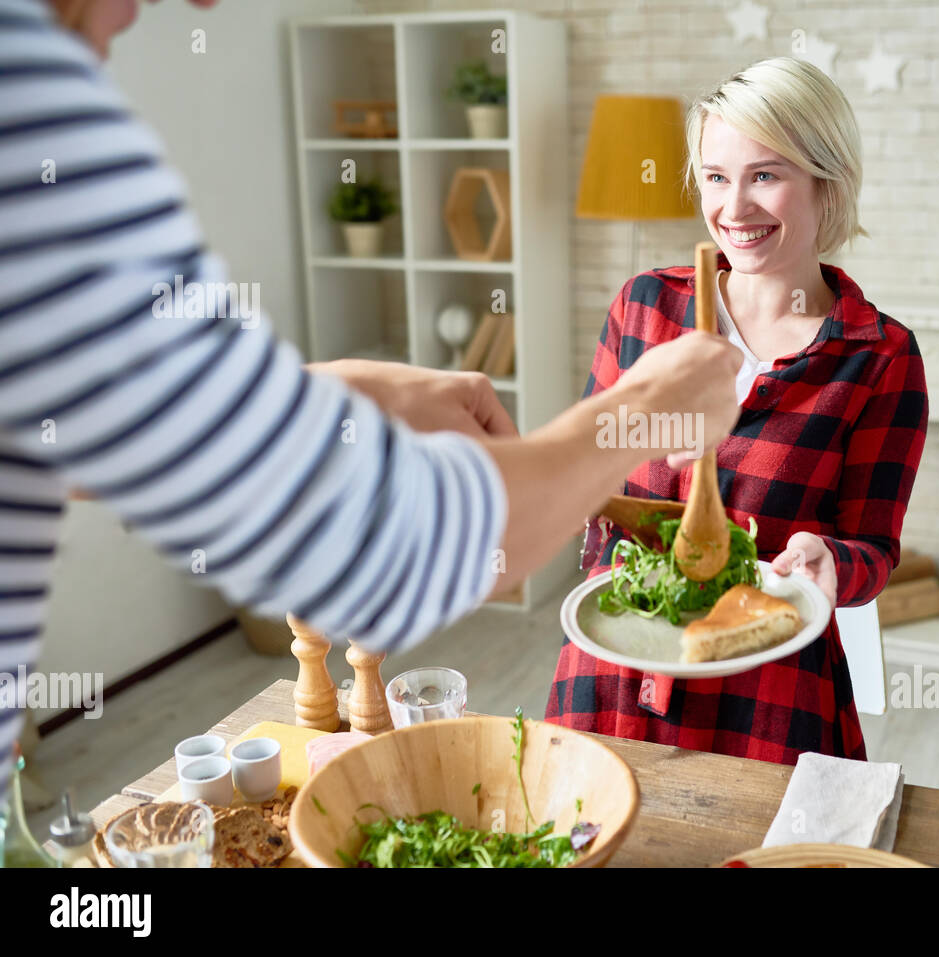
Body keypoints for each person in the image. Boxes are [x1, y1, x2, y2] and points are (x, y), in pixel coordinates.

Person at [0, 0, 743, 804]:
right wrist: (644, 409)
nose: (205, 5)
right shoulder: (28, 88)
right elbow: (399, 544)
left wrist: (350, 390)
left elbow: (113, 418)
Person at [546, 58, 929, 765]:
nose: (734, 208)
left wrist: (832, 563)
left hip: (769, 692)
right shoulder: (644, 308)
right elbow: (582, 468)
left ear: (828, 181)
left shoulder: (880, 357)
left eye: (765, 175)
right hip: (614, 669)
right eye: (716, 177)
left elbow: (873, 547)